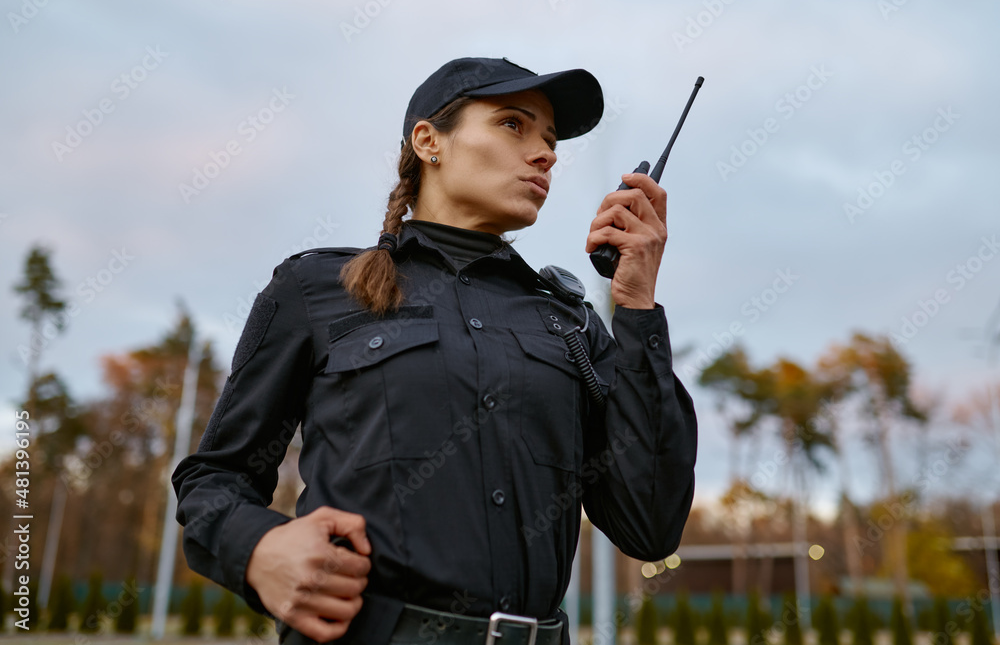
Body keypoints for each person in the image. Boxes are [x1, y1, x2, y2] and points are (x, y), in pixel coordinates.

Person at [172, 56, 698, 645]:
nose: (546, 153)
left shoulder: (570, 322)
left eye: (550, 140)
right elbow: (214, 477)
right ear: (429, 141)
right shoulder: (316, 289)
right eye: (512, 125)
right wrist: (259, 546)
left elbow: (650, 525)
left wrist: (636, 305)